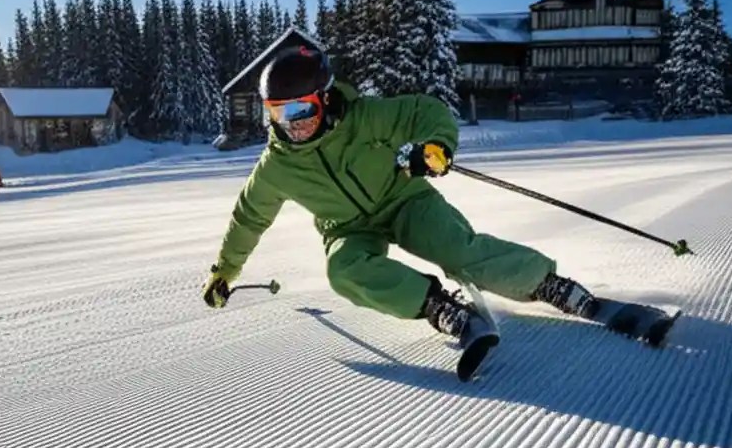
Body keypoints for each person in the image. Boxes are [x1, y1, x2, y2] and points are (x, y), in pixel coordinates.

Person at [201, 45, 600, 348]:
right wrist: (225, 271)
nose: (292, 126)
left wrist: (436, 146)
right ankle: (435, 305)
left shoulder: (364, 117)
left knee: (456, 250)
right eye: (278, 114)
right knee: (343, 271)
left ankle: (547, 283)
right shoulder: (277, 165)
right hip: (348, 227)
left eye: (300, 111)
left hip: (405, 199)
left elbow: (424, 112)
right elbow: (249, 218)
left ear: (323, 98)